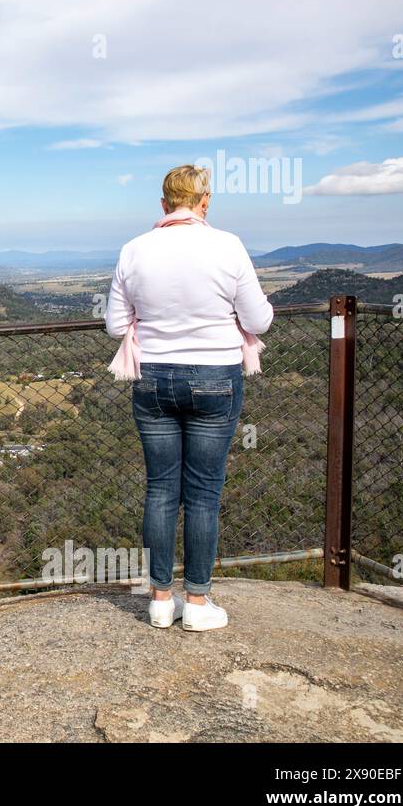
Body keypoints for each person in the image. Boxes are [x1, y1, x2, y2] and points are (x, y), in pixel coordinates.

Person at [105, 165, 274, 631]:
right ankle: (197, 603)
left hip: (152, 378)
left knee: (161, 489)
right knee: (203, 493)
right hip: (215, 378)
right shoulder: (228, 245)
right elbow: (258, 321)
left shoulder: (134, 249)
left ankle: (160, 599)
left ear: (163, 205)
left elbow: (117, 326)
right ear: (205, 202)